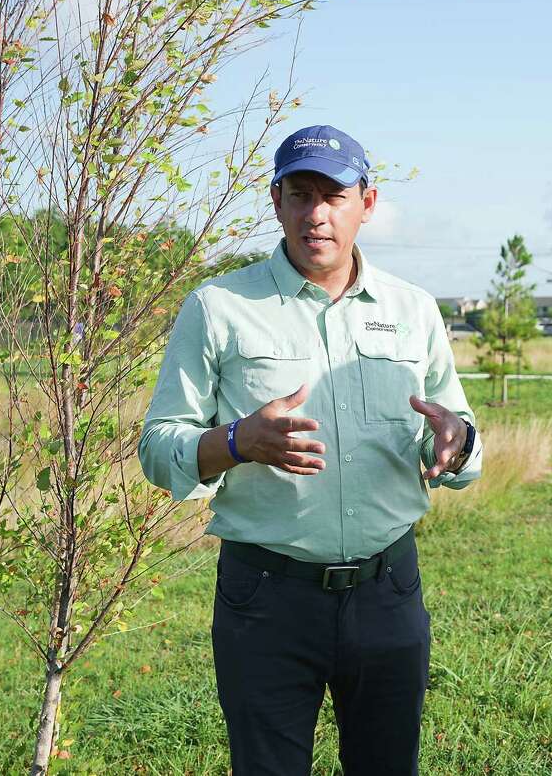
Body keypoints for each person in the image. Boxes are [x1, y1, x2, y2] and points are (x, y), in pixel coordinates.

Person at [138, 124, 482, 775]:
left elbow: (457, 427)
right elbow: (159, 447)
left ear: (367, 203)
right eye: (299, 194)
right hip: (266, 599)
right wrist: (237, 441)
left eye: (333, 196)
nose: (315, 213)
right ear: (276, 201)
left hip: (388, 592)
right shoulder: (218, 307)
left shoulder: (414, 310)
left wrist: (457, 441)